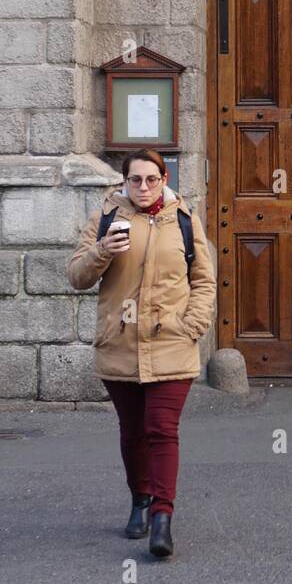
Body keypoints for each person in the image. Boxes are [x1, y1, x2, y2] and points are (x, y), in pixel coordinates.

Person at [67, 148, 216, 558]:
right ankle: (141, 499)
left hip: (172, 341)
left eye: (152, 179)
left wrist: (193, 326)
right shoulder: (104, 220)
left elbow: (203, 280)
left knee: (161, 430)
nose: (144, 187)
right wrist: (103, 252)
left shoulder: (185, 221)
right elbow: (77, 276)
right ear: (124, 182)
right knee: (133, 433)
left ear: (164, 178)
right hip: (120, 344)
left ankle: (162, 518)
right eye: (136, 180)